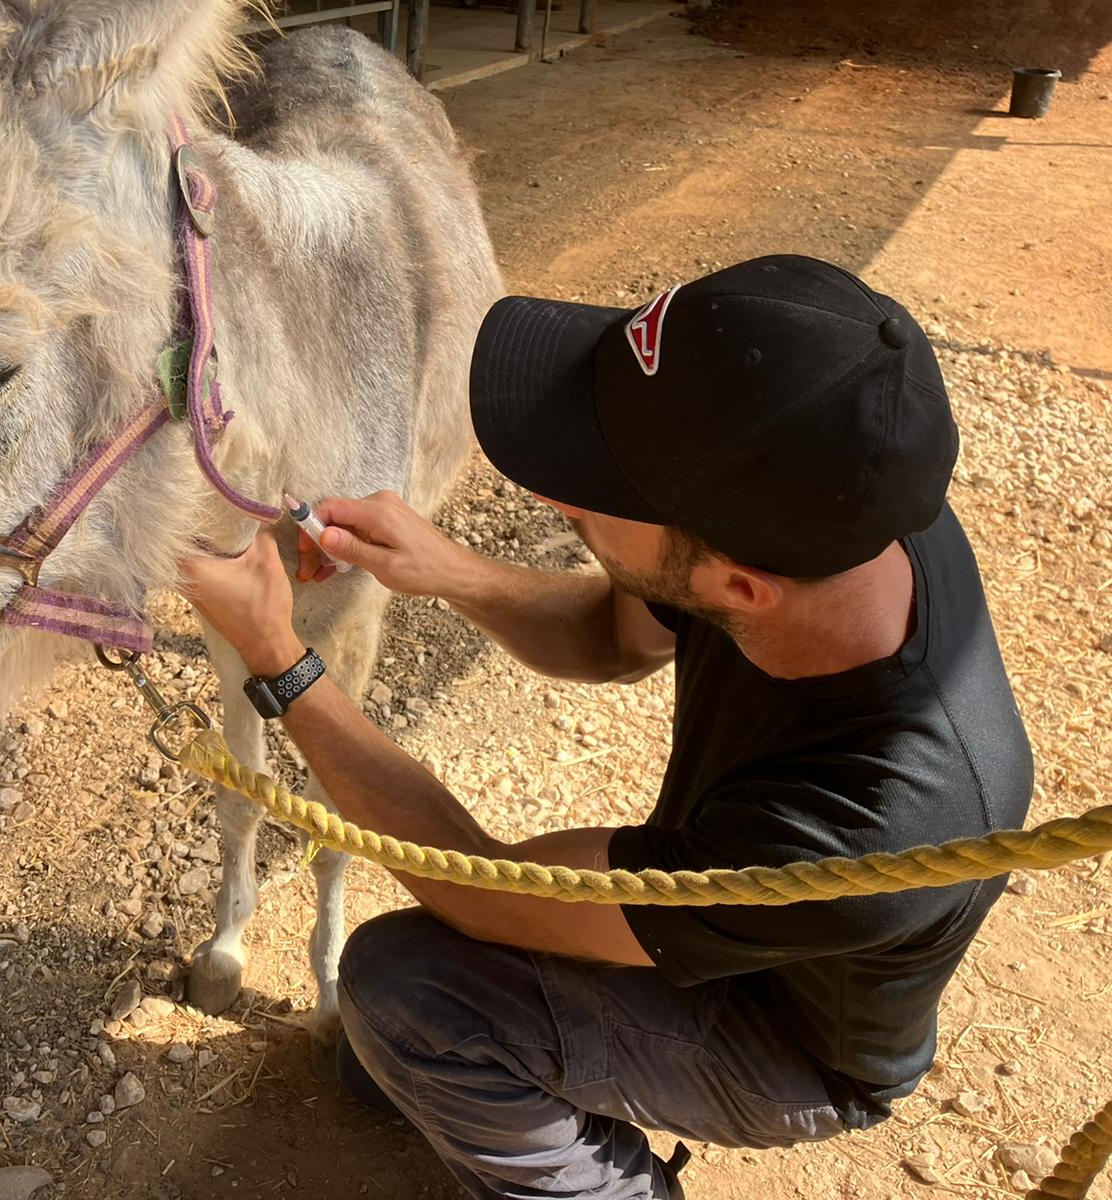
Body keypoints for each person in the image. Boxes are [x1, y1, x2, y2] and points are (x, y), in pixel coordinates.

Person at [179, 255, 1033, 1200]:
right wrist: (449, 568)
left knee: (402, 988)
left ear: (737, 588)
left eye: (597, 491)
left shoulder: (878, 820)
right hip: (719, 926)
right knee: (386, 1056)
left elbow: (484, 888)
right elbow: (616, 636)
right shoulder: (835, 509)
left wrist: (279, 659)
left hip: (783, 1041)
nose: (556, 498)